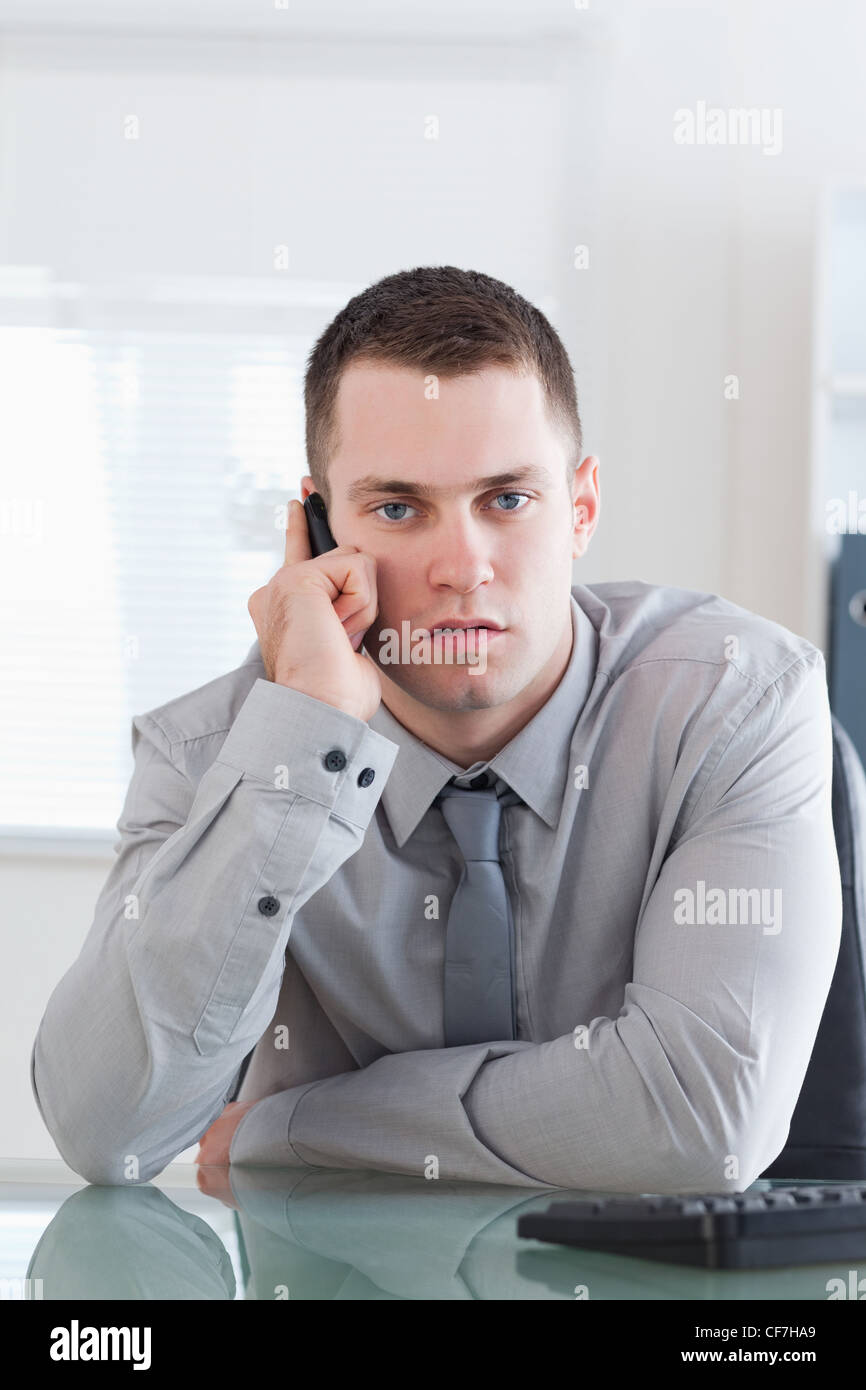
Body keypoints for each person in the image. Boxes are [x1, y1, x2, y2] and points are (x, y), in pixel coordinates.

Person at [30, 266, 842, 1193]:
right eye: (398, 508)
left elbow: (702, 1120)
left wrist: (300, 1127)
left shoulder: (736, 702)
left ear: (580, 508)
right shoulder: (216, 753)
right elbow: (109, 1134)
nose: (463, 567)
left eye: (507, 500)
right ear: (320, 527)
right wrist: (301, 748)